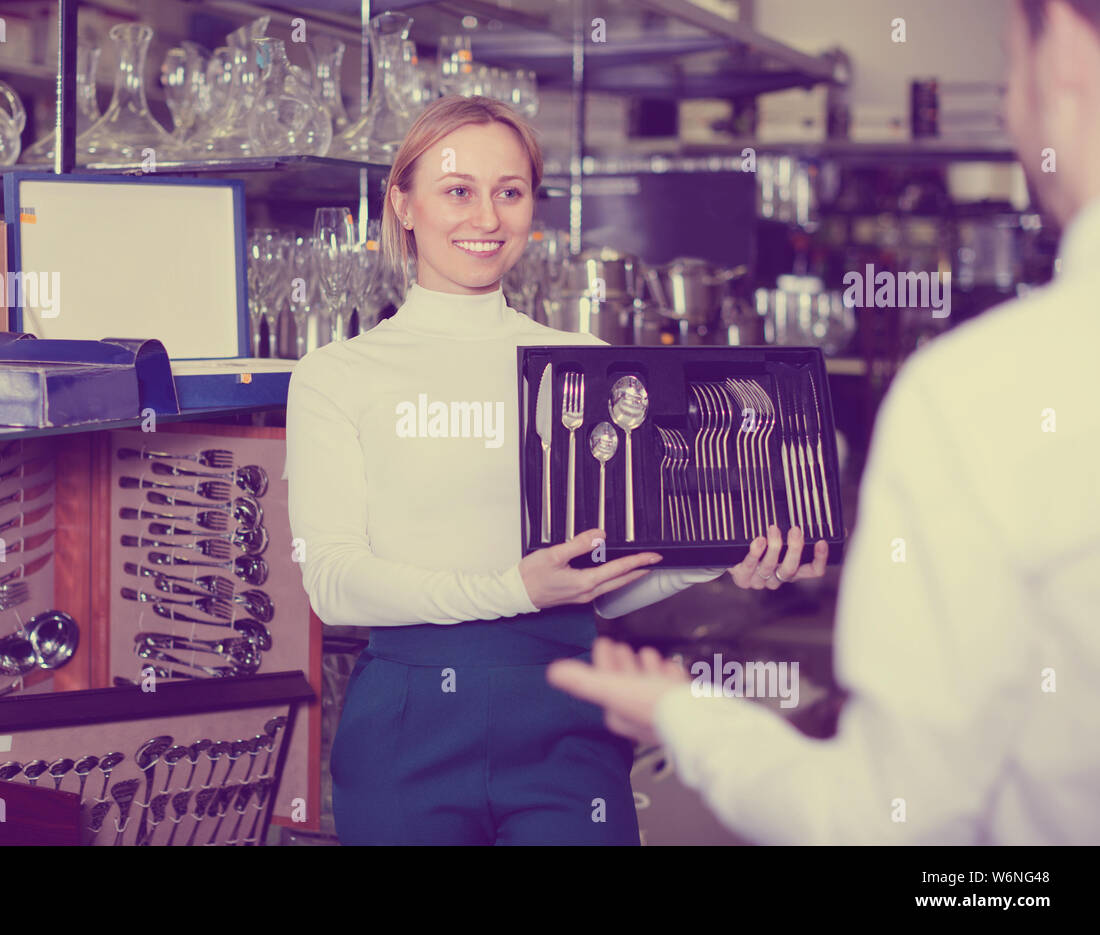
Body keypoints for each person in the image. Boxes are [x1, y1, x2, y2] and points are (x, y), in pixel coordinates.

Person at [548, 0, 1100, 845]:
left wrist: (683, 716)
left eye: (1005, 58)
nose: (1002, 102)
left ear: (1060, 42)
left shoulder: (978, 394)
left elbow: (888, 823)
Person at [286, 95, 825, 846]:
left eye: (510, 192)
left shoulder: (587, 365)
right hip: (408, 725)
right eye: (457, 190)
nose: (487, 217)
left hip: (567, 713)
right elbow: (333, 581)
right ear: (403, 204)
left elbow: (608, 576)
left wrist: (722, 558)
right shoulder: (335, 376)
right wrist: (514, 589)